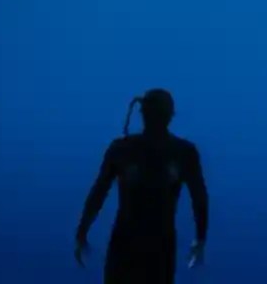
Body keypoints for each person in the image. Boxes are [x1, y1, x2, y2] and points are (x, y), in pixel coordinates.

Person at [75, 89, 209, 283]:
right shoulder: (184, 152)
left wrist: (82, 231)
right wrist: (200, 238)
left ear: (141, 113)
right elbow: (200, 199)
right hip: (160, 247)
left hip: (126, 244)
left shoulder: (121, 149)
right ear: (171, 115)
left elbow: (98, 193)